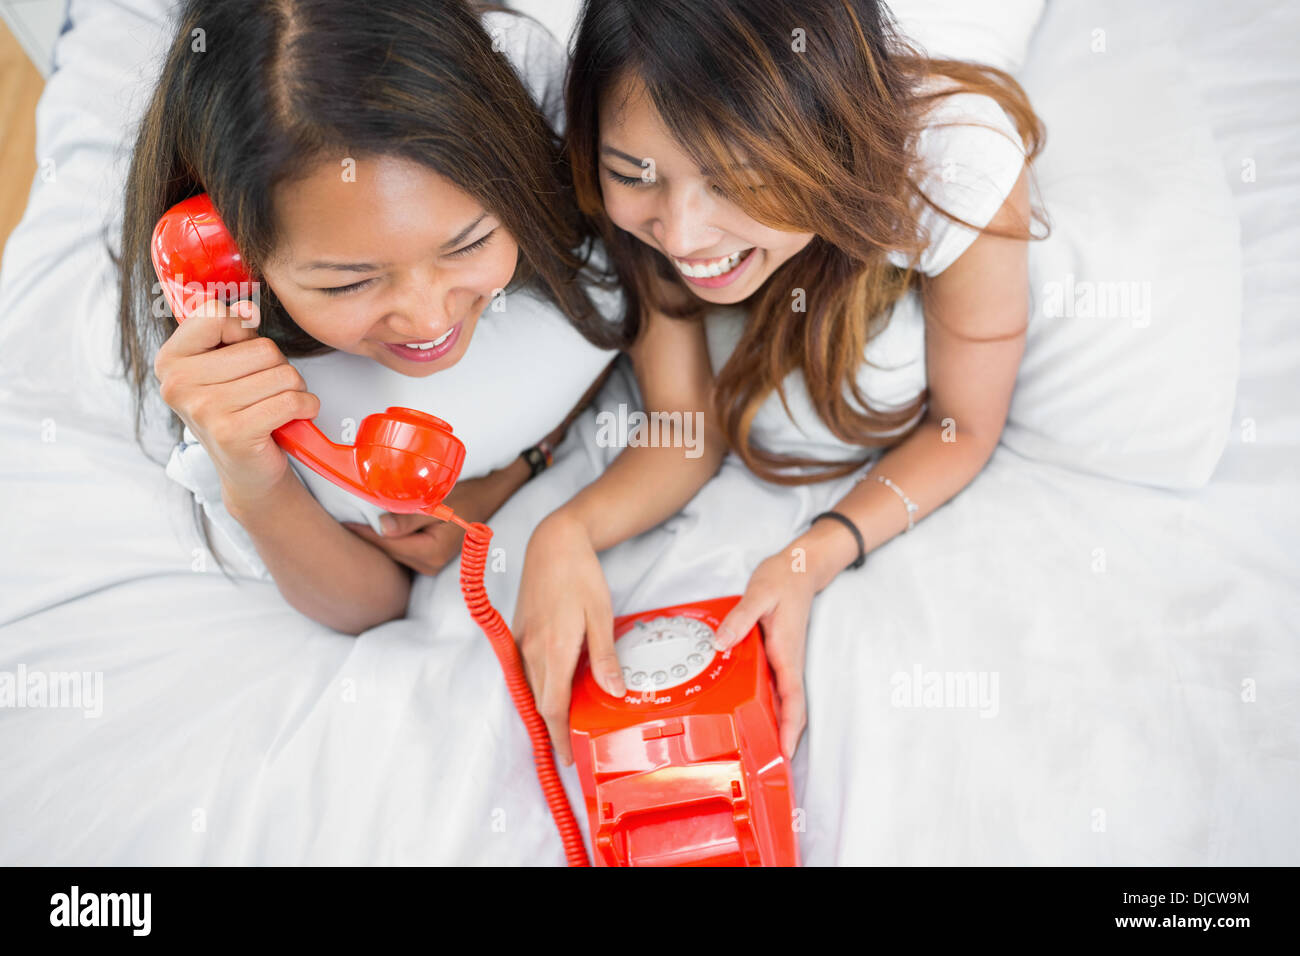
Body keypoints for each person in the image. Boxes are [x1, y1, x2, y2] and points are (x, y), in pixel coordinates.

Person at [516, 0, 1046, 762]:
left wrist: (813, 556)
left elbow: (962, 430)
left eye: (735, 180)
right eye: (637, 175)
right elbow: (683, 429)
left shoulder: (960, 170)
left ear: (825, 145)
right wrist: (564, 532)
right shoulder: (623, 141)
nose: (684, 235)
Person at [115, 0, 632, 634]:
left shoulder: (534, 92)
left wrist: (509, 479)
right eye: (350, 282)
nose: (427, 318)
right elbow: (370, 605)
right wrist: (250, 477)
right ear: (228, 251)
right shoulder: (224, 340)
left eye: (470, 243)